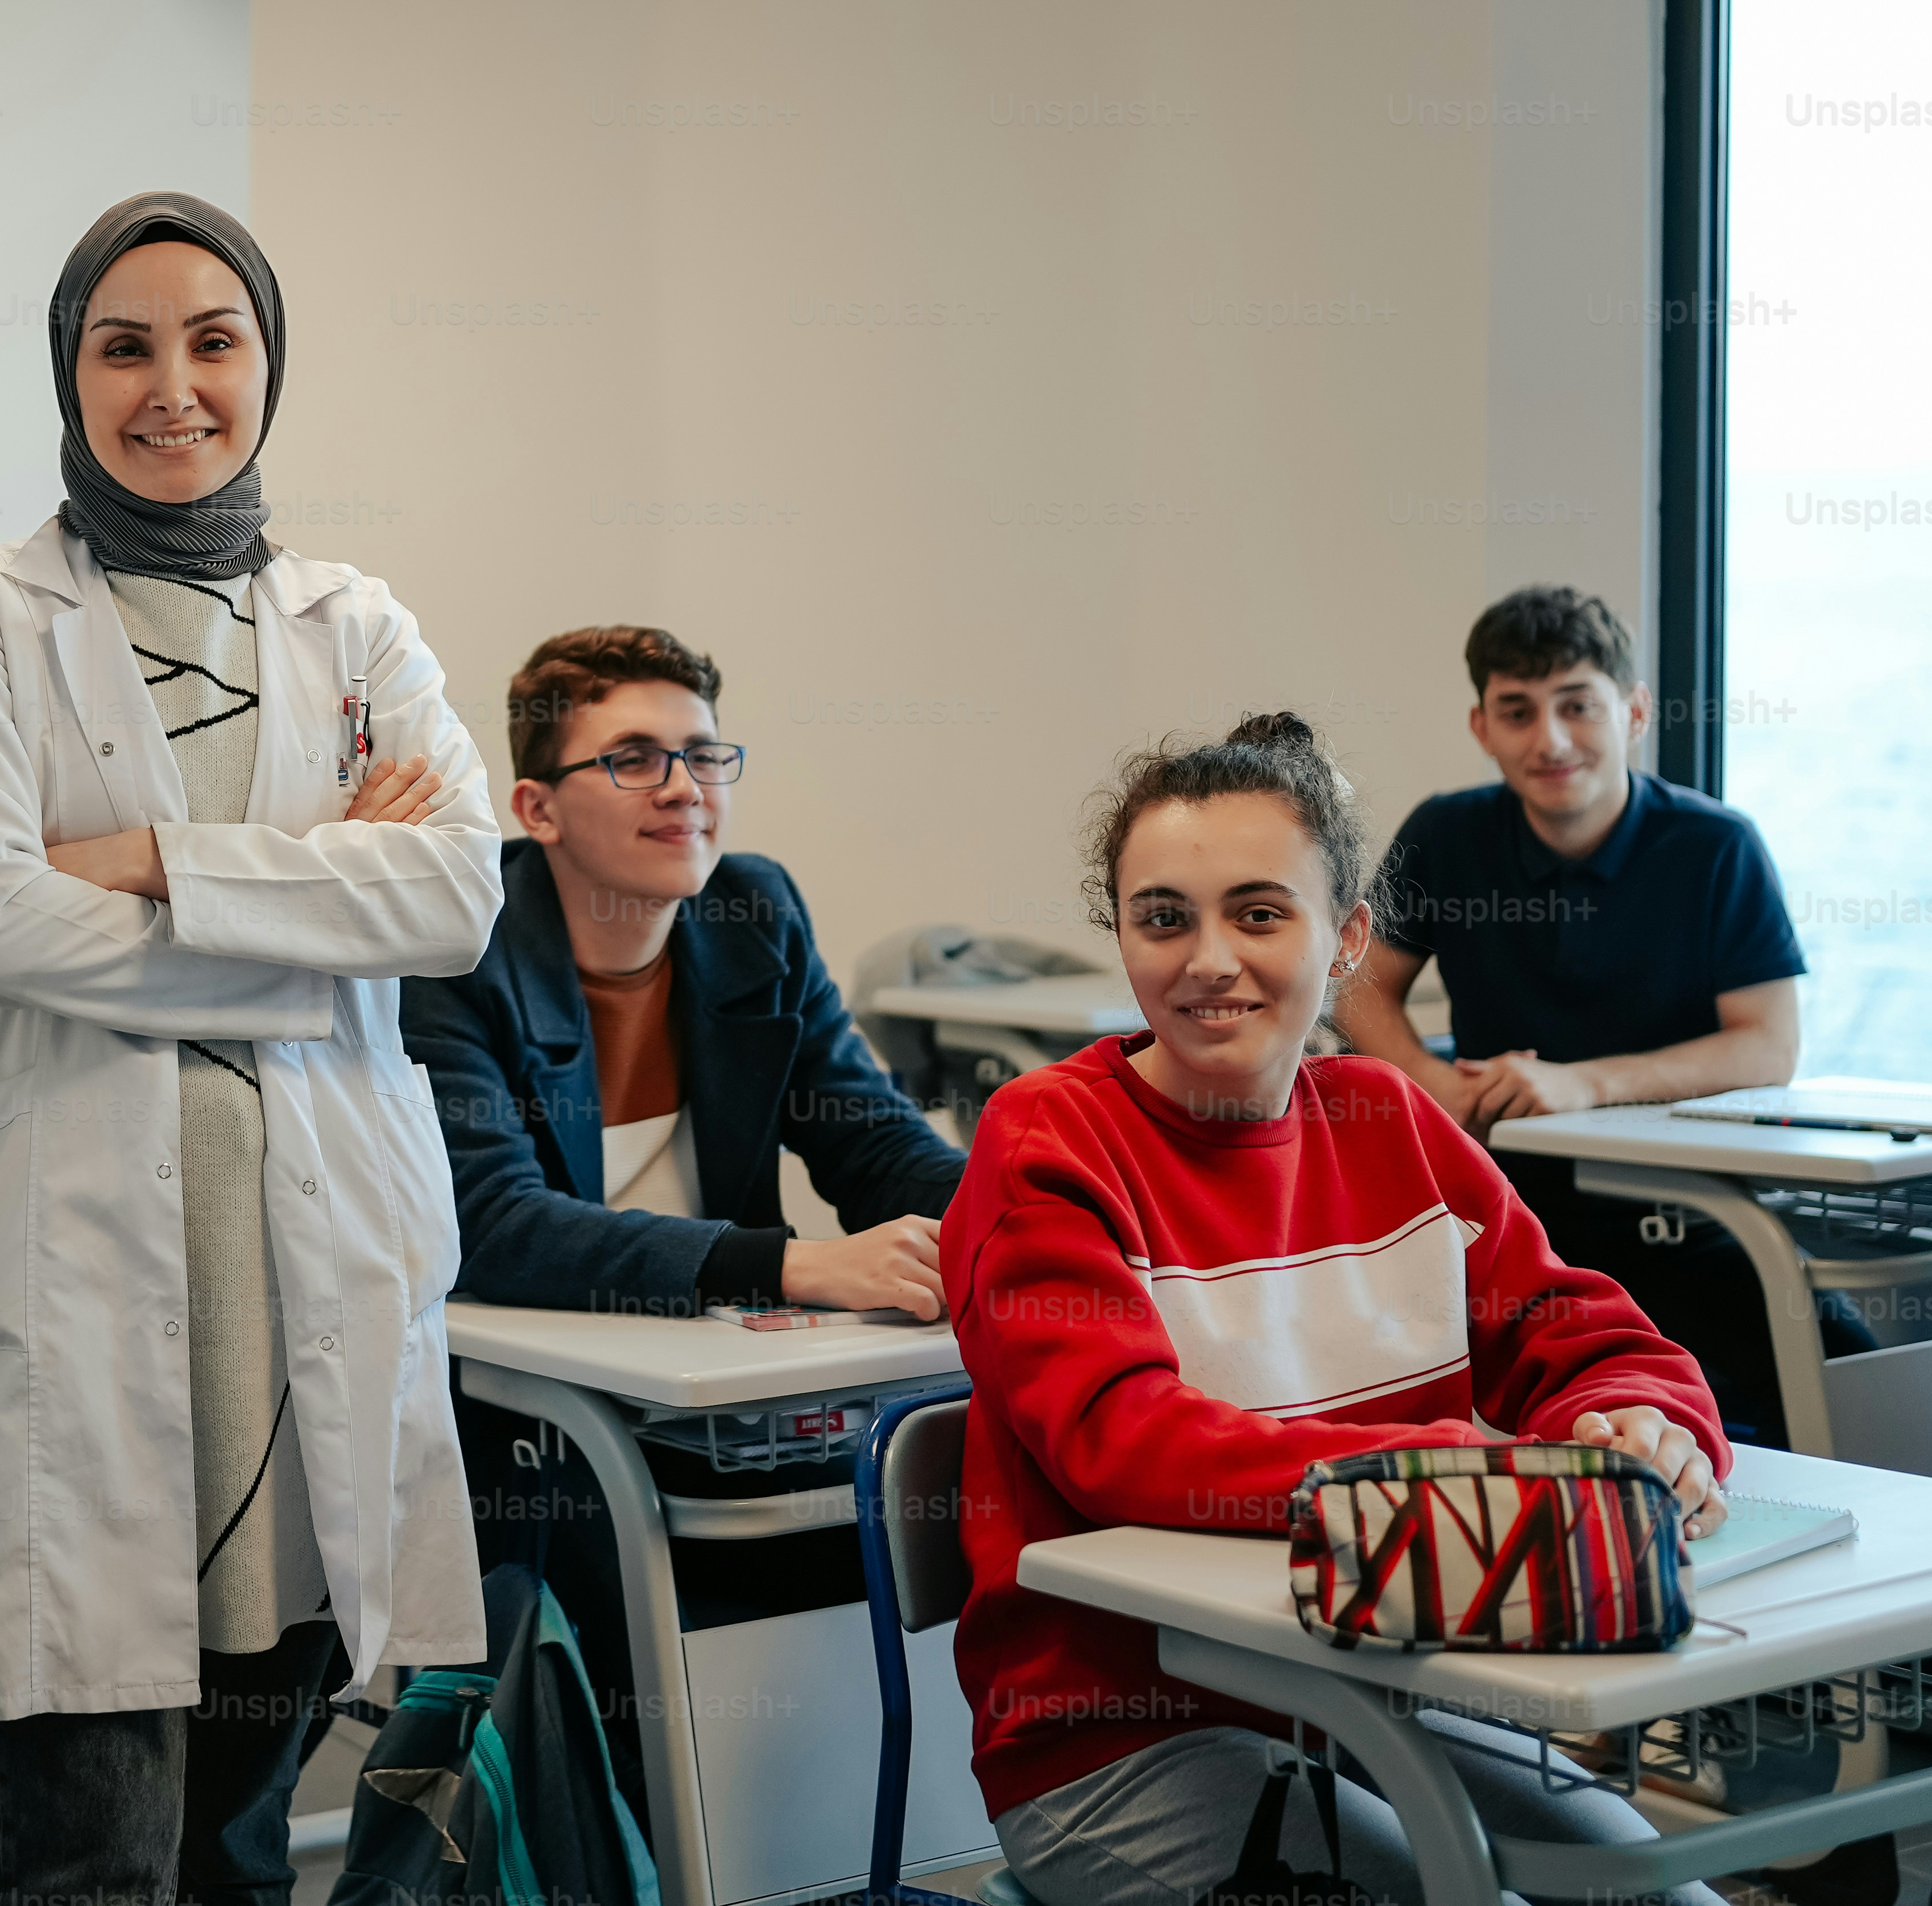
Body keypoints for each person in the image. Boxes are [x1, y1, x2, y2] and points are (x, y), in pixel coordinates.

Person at [0, 191, 500, 1906]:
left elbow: (454, 900)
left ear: (268, 365)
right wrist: (323, 919)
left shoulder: (354, 622)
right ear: (71, 373)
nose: (174, 385)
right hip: (81, 1301)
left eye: (214, 341)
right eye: (126, 345)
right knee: (93, 1859)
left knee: (242, 1841)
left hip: (301, 1298)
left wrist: (160, 859)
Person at [953, 712, 1729, 1906]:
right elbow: (1124, 1442)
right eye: (1165, 917)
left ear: (1348, 934)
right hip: (1129, 1742)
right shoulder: (1048, 1140)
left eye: (1260, 913)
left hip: (1385, 1697)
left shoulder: (1389, 1117)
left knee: (1666, 1889)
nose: (1210, 957)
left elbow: (1582, 1332)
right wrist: (1460, 1468)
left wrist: (1635, 1421)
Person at [403, 623, 965, 1804]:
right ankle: (649, 1844)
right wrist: (795, 1264)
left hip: (717, 1387)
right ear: (536, 806)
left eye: (706, 755)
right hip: (521, 1413)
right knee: (623, 1599)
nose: (684, 788)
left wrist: (1019, 1208)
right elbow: (495, 1223)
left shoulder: (751, 912)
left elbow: (867, 1135)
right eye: (634, 757)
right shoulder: (458, 947)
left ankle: (843, 1840)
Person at [1333, 587, 1808, 1431]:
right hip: (1497, 1221)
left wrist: (1584, 1085)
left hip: (1684, 1220)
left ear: (1632, 713)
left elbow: (1768, 1045)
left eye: (1577, 706)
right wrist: (1425, 1080)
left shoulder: (1715, 847)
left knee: (1809, 1381)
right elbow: (1358, 980)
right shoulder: (1447, 835)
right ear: (1483, 728)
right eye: (1517, 712)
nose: (1549, 740)